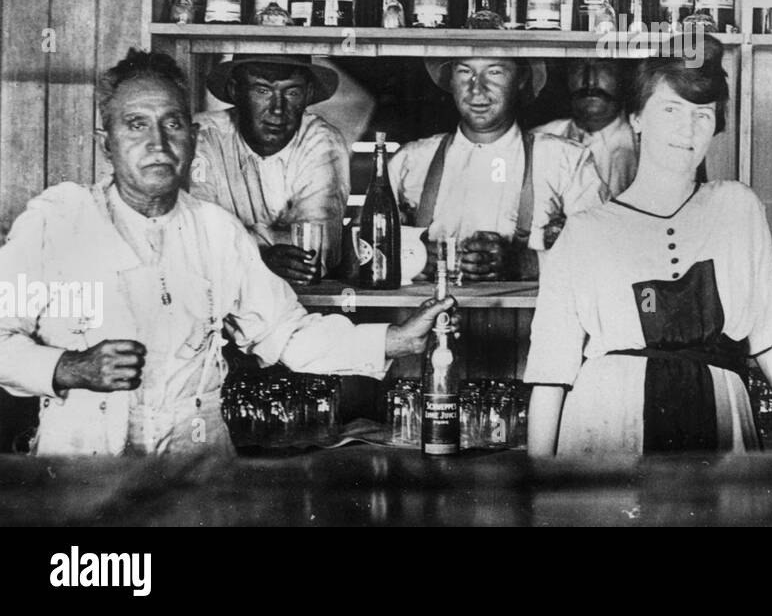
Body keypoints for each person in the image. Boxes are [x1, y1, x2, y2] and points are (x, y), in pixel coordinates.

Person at [0, 49, 451, 457]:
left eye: (172, 123)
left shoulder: (216, 231)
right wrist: (69, 367)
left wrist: (395, 340)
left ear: (193, 137)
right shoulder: (57, 222)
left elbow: (285, 334)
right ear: (106, 143)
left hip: (194, 457)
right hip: (81, 456)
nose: (157, 143)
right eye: (136, 124)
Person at [525, 36, 772, 456]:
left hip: (720, 414)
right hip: (608, 425)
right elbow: (551, 373)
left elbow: (771, 335)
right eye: (671, 109)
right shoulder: (585, 231)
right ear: (637, 118)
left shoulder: (738, 208)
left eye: (703, 114)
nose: (688, 129)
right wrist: (540, 480)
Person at [390, 57, 605, 282]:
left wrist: (530, 263)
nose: (476, 89)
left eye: (494, 73)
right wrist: (412, 256)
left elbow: (602, 254)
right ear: (450, 80)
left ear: (521, 79)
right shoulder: (409, 160)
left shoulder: (567, 161)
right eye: (464, 71)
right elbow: (358, 256)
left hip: (531, 317)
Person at [189, 54, 349, 288]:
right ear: (235, 91)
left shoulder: (322, 141)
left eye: (292, 92)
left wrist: (236, 247)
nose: (277, 109)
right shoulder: (204, 135)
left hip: (302, 303)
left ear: (308, 95)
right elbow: (194, 238)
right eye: (262, 91)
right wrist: (263, 256)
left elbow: (315, 251)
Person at [533, 57, 638, 198]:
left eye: (604, 67)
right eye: (578, 67)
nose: (590, 82)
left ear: (625, 74)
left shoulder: (644, 147)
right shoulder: (536, 140)